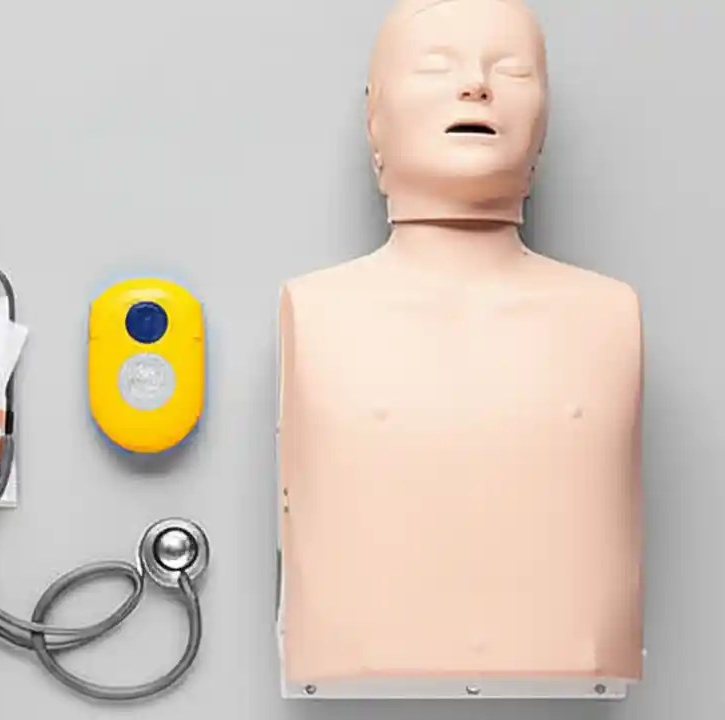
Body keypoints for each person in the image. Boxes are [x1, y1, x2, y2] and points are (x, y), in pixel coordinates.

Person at [276, 0, 644, 696]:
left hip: (578, 662)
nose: (475, 86)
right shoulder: (316, 310)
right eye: (434, 67)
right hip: (346, 660)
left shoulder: (610, 315)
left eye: (511, 69)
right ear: (373, 117)